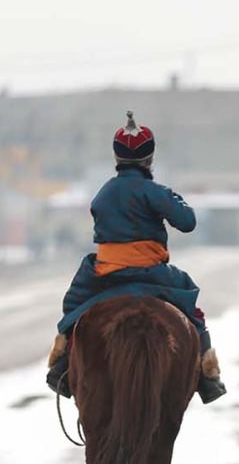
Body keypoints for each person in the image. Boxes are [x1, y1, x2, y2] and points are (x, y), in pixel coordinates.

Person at [46, 111, 227, 404]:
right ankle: (208, 376)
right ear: (150, 159)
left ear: (117, 159)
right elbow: (188, 221)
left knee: (73, 306)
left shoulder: (103, 193)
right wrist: (169, 199)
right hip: (151, 273)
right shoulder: (153, 192)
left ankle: (61, 364)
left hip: (106, 272)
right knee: (192, 308)